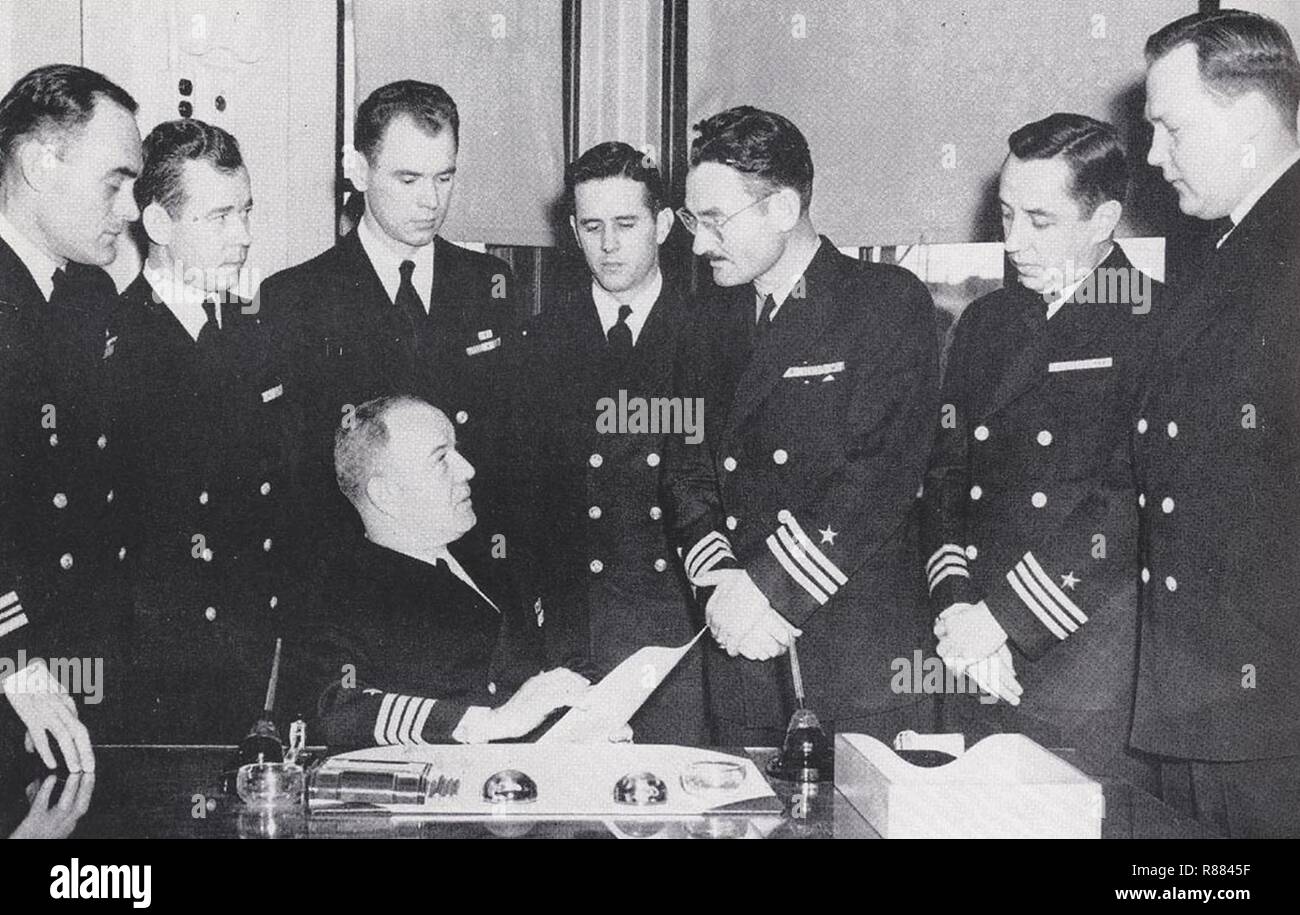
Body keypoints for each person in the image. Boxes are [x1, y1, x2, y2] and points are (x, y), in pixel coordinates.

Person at [665, 106, 940, 747]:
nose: (699, 243)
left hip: (854, 664)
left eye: (714, 221)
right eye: (692, 220)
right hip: (739, 649)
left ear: (783, 208)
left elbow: (880, 478)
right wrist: (722, 584)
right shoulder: (707, 320)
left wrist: (768, 590)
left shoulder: (884, 301)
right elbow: (684, 470)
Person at [921, 113, 1161, 792]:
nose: (1014, 242)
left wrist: (1004, 619)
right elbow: (944, 476)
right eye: (1004, 216)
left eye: (1040, 220)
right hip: (972, 648)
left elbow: (1127, 505)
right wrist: (959, 604)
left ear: (1103, 219)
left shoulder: (1156, 321)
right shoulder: (985, 324)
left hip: (1084, 663)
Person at [1134, 8, 1300, 837]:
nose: (1155, 157)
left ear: (1246, 116)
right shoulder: (1224, 252)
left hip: (1274, 710)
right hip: (1203, 698)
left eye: (1170, 128)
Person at [260, 80, 519, 556]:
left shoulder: (489, 283)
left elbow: (512, 447)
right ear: (359, 170)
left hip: (479, 564)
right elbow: (296, 472)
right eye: (408, 179)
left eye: (444, 178)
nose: (431, 201)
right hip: (360, 576)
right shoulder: (295, 298)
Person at [110, 119, 298, 742]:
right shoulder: (111, 343)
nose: (243, 237)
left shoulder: (254, 334)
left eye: (245, 212)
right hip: (158, 672)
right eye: (219, 217)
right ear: (159, 223)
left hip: (259, 658)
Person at [517, 141, 706, 744]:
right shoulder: (542, 339)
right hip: (576, 632)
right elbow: (524, 496)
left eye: (627, 224)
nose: (610, 244)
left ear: (664, 224)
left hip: (677, 630)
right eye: (593, 227)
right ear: (573, 231)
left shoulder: (710, 331)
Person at [292, 396, 593, 750]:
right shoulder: (341, 595)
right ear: (385, 494)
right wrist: (493, 722)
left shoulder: (498, 557)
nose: (467, 469)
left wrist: (589, 722)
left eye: (457, 451)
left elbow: (565, 658)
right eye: (441, 459)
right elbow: (339, 710)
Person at [0, 64, 142, 770]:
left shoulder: (87, 295)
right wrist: (13, 658)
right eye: (114, 182)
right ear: (37, 161)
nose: (132, 208)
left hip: (79, 659)